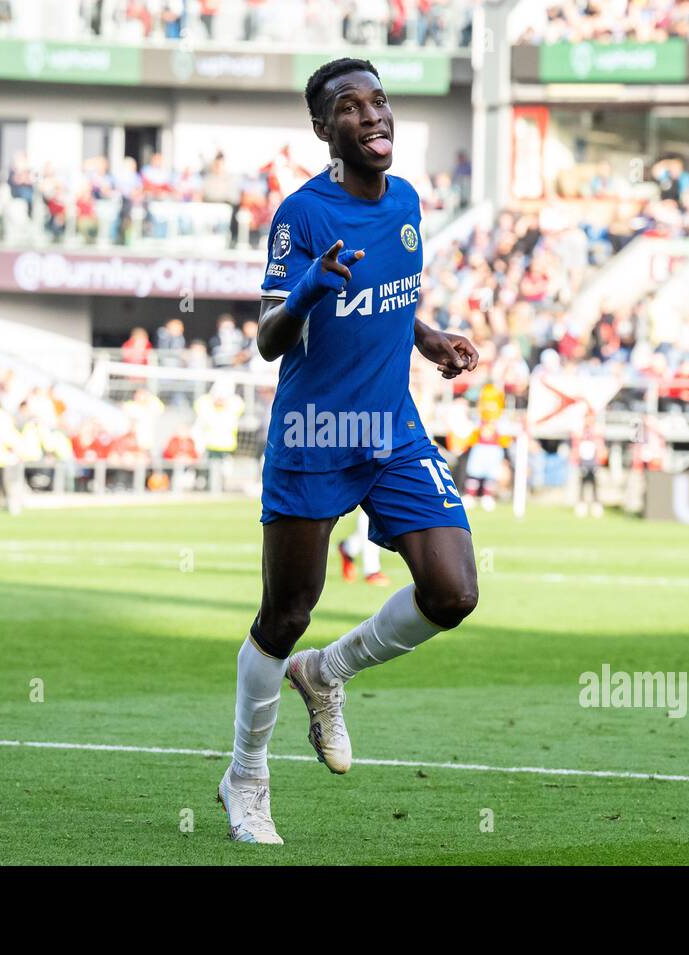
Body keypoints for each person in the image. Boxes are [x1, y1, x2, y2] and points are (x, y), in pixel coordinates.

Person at [218, 57, 480, 844]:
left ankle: (327, 674)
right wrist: (307, 290)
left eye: (379, 101)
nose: (372, 117)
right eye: (349, 107)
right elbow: (269, 341)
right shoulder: (302, 216)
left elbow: (392, 301)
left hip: (392, 427)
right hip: (313, 435)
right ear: (323, 128)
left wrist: (429, 339)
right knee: (285, 613)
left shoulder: (406, 200)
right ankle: (246, 778)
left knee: (453, 593)